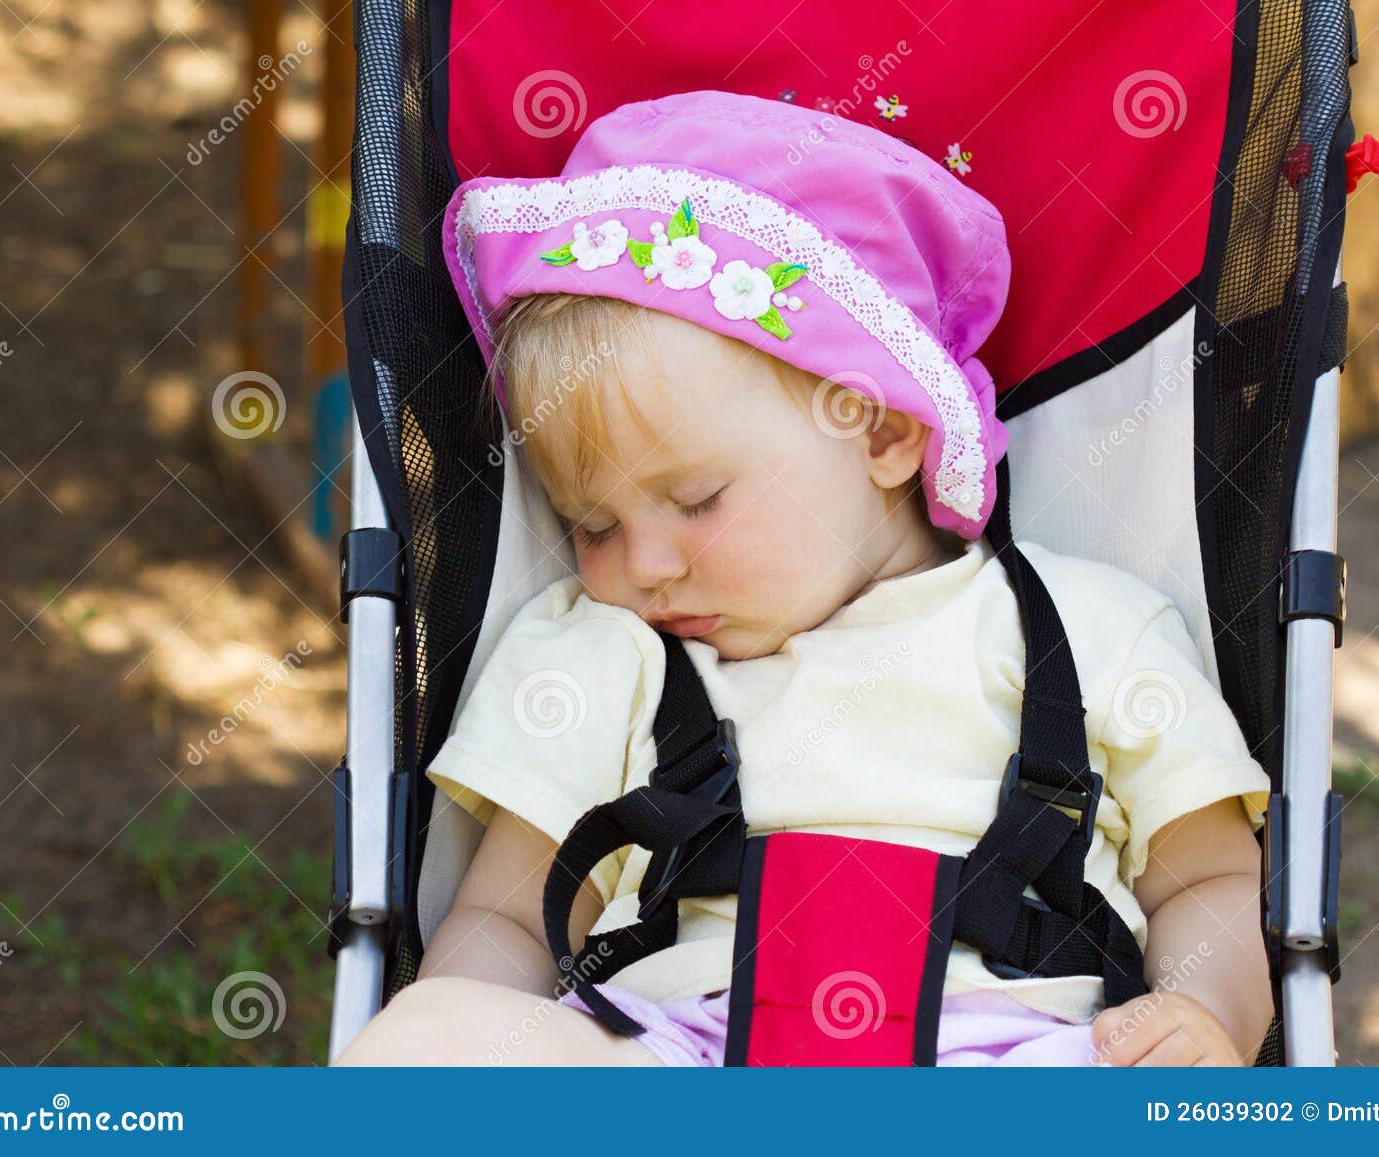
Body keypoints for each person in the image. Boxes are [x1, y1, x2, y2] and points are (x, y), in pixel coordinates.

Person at [335, 90, 1272, 1067]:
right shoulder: (598, 650)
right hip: (679, 1052)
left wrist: (1203, 1011)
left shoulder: (1093, 631)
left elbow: (1205, 881)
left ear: (878, 431)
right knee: (426, 1027)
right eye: (592, 523)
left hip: (1015, 1052)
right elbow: (508, 917)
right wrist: (462, 1029)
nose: (644, 563)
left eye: (694, 499)